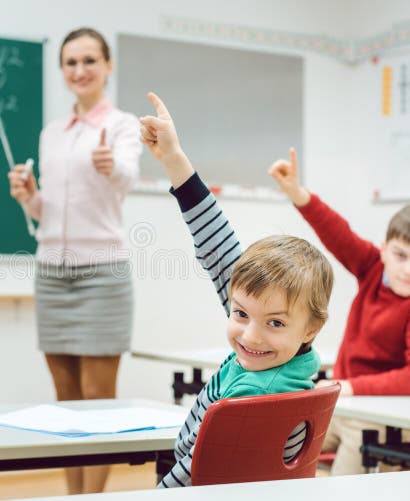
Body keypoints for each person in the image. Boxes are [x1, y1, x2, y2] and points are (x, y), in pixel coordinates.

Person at [140, 92, 335, 488]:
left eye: (275, 323)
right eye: (240, 313)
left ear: (311, 328)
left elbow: (193, 476)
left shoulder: (252, 396)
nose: (250, 335)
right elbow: (218, 248)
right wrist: (174, 159)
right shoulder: (290, 359)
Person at [7, 27, 142, 494]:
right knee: (65, 402)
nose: (79, 71)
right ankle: (73, 494)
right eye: (70, 62)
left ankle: (92, 496)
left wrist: (112, 166)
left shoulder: (122, 125)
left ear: (108, 66)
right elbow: (54, 212)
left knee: (97, 400)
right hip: (52, 273)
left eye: (89, 61)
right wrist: (31, 199)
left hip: (102, 274)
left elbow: (126, 177)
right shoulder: (52, 134)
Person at [268, 148, 410, 475]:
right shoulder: (372, 267)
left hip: (387, 415)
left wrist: (352, 386)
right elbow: (338, 233)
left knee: (348, 463)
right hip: (348, 404)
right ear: (384, 249)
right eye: (401, 255)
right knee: (278, 446)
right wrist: (298, 194)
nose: (409, 270)